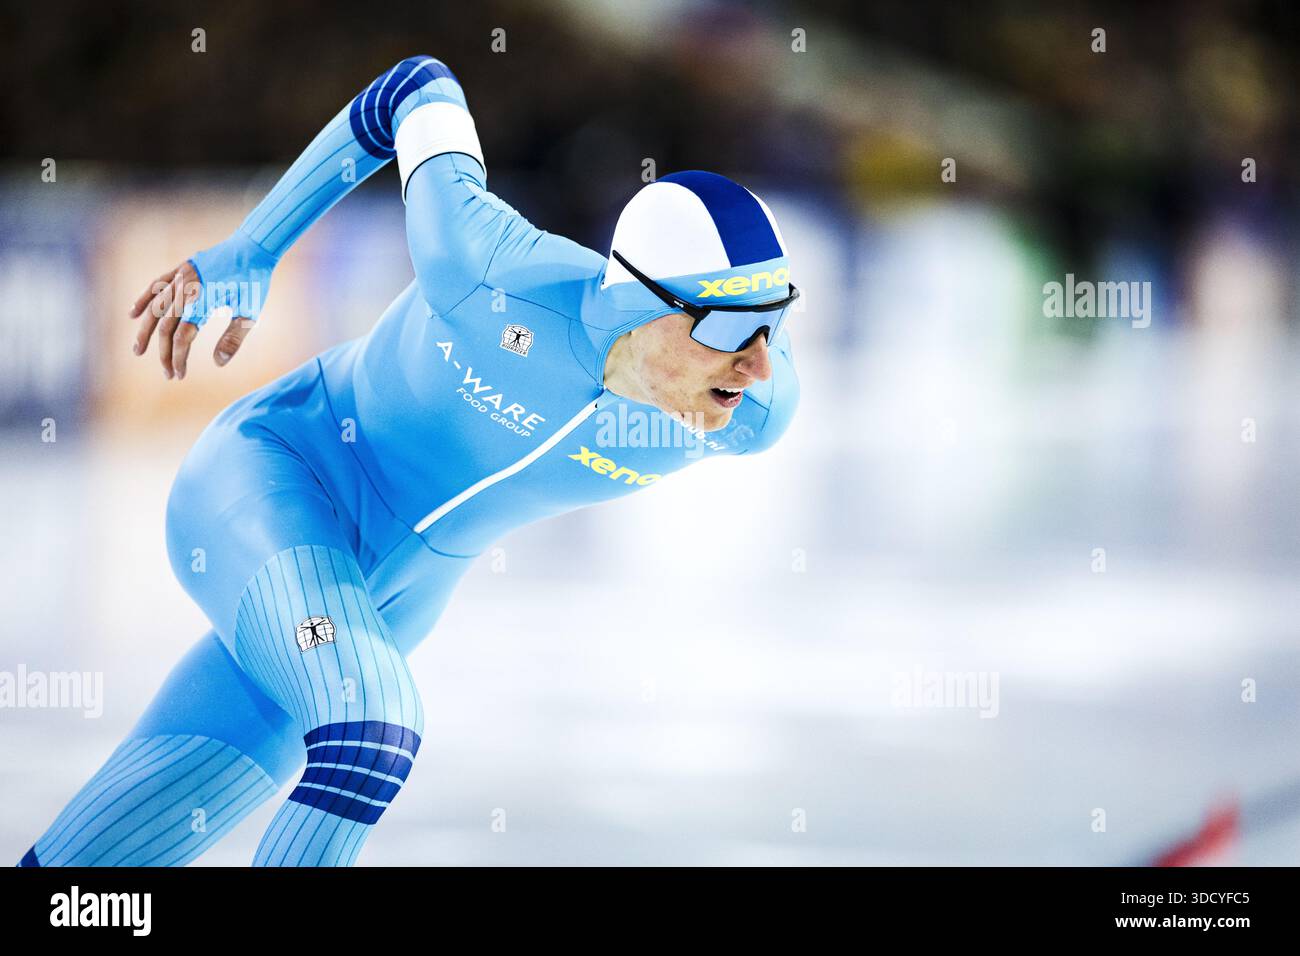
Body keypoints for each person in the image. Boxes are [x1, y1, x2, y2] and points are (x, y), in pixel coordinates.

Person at [18, 54, 800, 867]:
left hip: (390, 600)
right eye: (727, 328)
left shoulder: (749, 413)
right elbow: (415, 86)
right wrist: (254, 246)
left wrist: (741, 332)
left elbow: (756, 363)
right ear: (646, 303)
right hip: (276, 481)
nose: (759, 365)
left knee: (93, 871)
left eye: (776, 323)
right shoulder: (488, 271)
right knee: (371, 725)